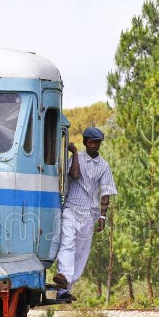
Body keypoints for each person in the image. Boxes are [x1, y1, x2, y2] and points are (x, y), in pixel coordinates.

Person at [53, 126, 117, 301]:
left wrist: (102, 216)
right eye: (91, 142)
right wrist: (74, 154)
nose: (94, 145)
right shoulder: (77, 158)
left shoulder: (104, 166)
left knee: (81, 253)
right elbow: (74, 174)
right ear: (85, 142)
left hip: (89, 213)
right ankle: (64, 276)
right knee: (67, 244)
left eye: (97, 142)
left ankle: (64, 289)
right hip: (71, 209)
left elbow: (106, 192)